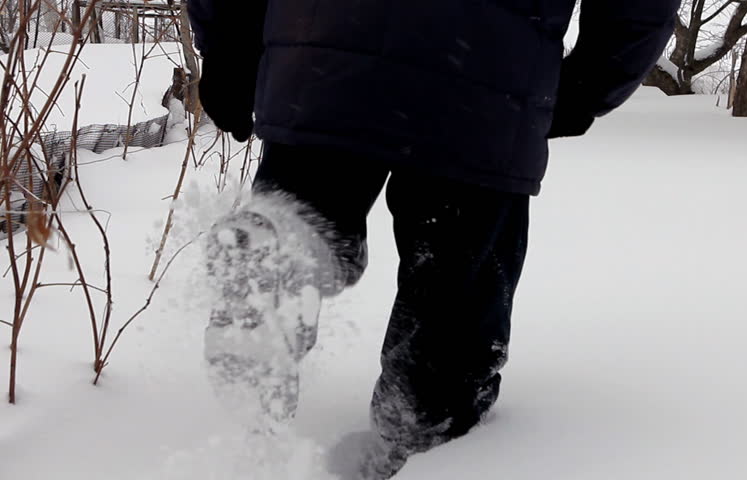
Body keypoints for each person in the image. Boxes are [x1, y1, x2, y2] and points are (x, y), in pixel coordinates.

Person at [188, 0, 680, 478]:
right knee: (453, 304)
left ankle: (275, 254)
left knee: (302, 219)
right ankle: (418, 433)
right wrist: (587, 84)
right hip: (487, 75)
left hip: (319, 56)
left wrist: (229, 48)